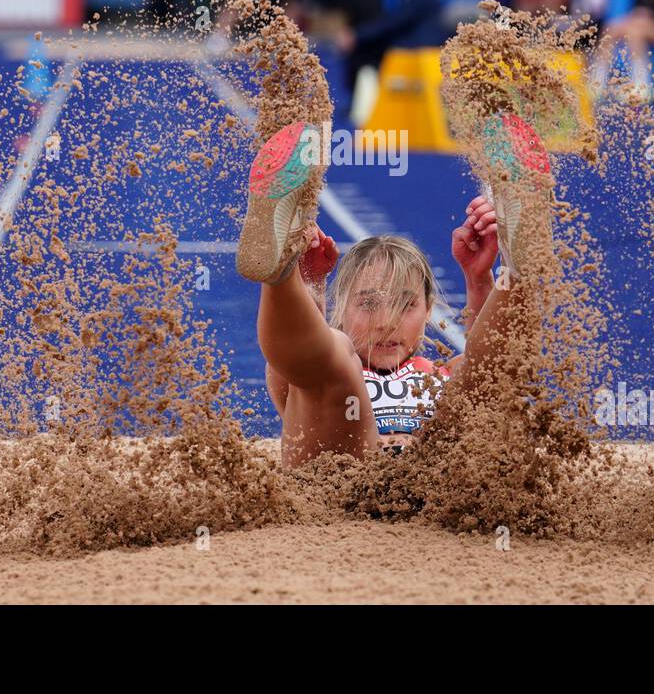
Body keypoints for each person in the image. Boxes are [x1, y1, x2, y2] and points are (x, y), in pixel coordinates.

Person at [235, 112, 554, 467]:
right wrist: (309, 282)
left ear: (428, 310)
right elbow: (292, 364)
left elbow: (492, 363)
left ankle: (519, 268)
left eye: (406, 305)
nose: (387, 321)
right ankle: (280, 272)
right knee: (333, 359)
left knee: (484, 379)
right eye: (369, 303)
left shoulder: (441, 377)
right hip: (339, 483)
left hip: (442, 486)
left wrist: (480, 280)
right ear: (342, 308)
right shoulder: (326, 373)